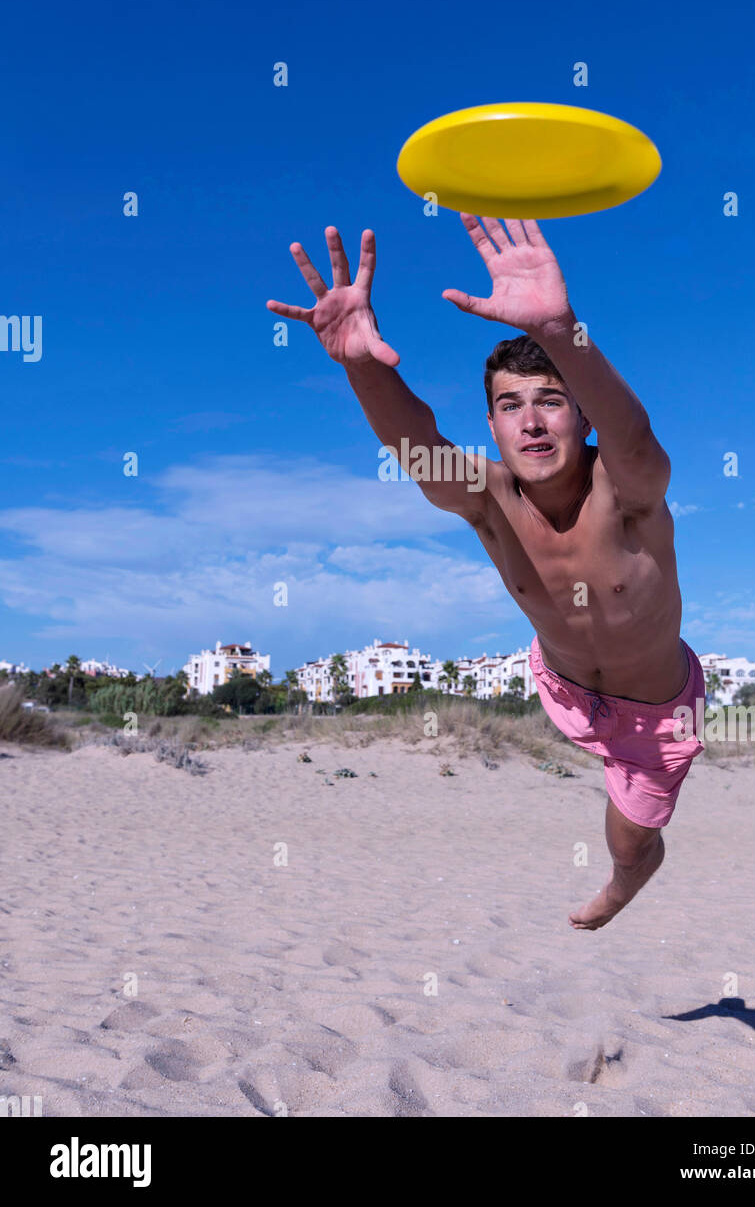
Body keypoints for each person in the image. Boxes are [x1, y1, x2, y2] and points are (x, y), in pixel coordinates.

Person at [267, 214, 704, 930]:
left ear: (582, 416)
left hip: (654, 714)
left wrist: (563, 331)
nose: (530, 422)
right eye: (510, 406)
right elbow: (418, 451)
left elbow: (634, 436)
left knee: (628, 840)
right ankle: (626, 853)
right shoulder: (486, 495)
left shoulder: (627, 489)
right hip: (561, 683)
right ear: (494, 426)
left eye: (550, 401)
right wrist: (359, 362)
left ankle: (629, 879)